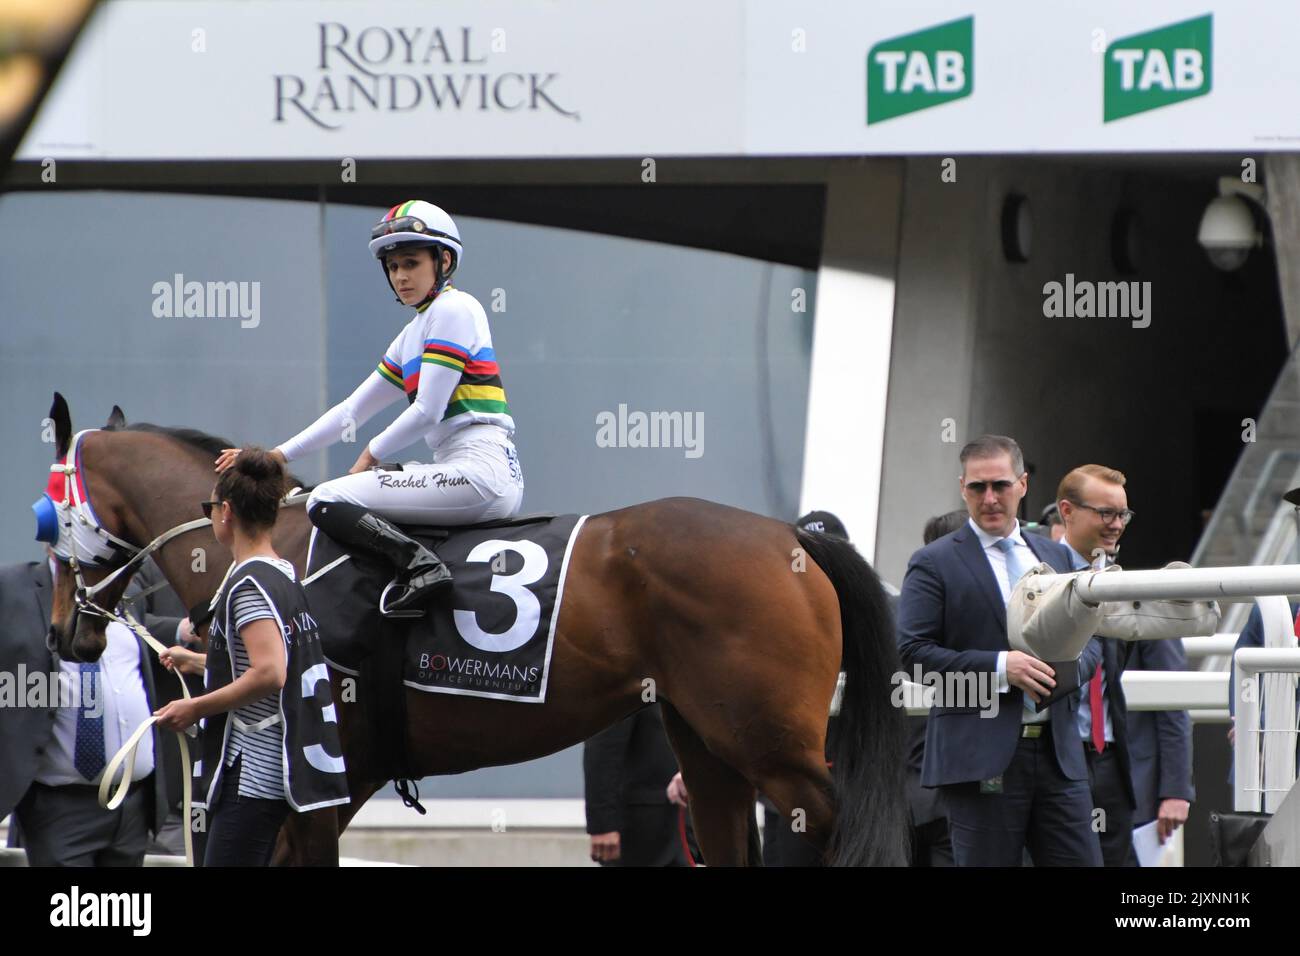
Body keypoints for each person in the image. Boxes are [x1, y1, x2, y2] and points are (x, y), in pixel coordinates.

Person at [216, 200, 524, 617]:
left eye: (411, 263)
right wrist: (277, 455)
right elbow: (349, 412)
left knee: (325, 500)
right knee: (360, 487)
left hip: (480, 470)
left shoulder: (455, 308)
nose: (400, 276)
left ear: (444, 260)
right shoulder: (412, 333)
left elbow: (429, 410)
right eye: (393, 266)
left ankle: (422, 568)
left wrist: (369, 455)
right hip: (462, 468)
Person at [896, 435, 1103, 866]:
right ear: (962, 488)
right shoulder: (933, 562)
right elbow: (912, 655)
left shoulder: (1059, 557)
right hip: (978, 762)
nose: (989, 498)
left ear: (1023, 485)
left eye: (1000, 485)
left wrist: (1066, 671)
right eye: (977, 487)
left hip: (1059, 758)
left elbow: (1093, 640)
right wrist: (998, 667)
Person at [154, 448, 349, 866]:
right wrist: (200, 663)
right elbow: (276, 662)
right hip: (279, 771)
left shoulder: (247, 585)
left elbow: (270, 671)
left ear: (226, 512)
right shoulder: (281, 572)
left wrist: (194, 707)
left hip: (250, 775)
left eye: (210, 507)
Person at [1, 550, 182, 865]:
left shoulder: (122, 596)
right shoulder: (16, 587)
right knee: (72, 913)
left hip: (133, 807)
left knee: (120, 915)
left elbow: (144, 642)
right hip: (60, 808)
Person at [1056, 464, 1141, 866]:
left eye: (1122, 514)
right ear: (1067, 511)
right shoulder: (1037, 576)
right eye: (1105, 513)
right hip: (1054, 758)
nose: (1116, 524)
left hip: (1109, 761)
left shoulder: (1119, 580)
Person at [583, 704, 693, 867]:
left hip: (688, 825)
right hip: (640, 829)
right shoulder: (627, 683)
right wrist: (602, 825)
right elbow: (603, 748)